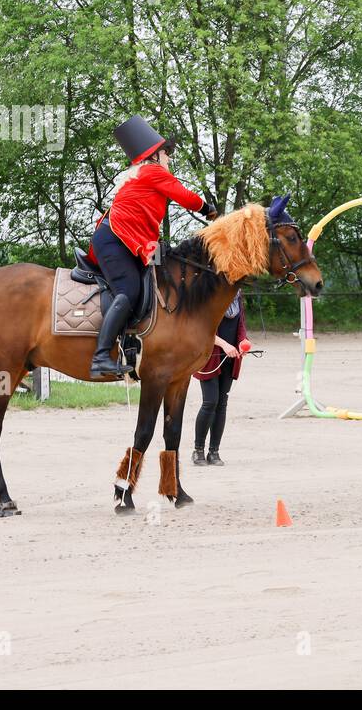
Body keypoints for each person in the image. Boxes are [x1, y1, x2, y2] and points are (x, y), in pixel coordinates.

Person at [85, 116, 216, 377]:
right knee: (129, 289)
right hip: (115, 240)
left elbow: (147, 230)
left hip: (125, 241)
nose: (169, 159)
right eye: (167, 154)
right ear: (155, 155)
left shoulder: (142, 175)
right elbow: (183, 196)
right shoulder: (153, 172)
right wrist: (207, 209)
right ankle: (100, 357)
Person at [191, 288, 247, 467]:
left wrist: (242, 343)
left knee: (222, 403)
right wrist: (224, 345)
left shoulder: (237, 297)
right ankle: (198, 450)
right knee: (210, 402)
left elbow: (241, 326)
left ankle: (214, 452)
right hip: (210, 357)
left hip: (230, 358)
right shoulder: (210, 296)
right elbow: (203, 329)